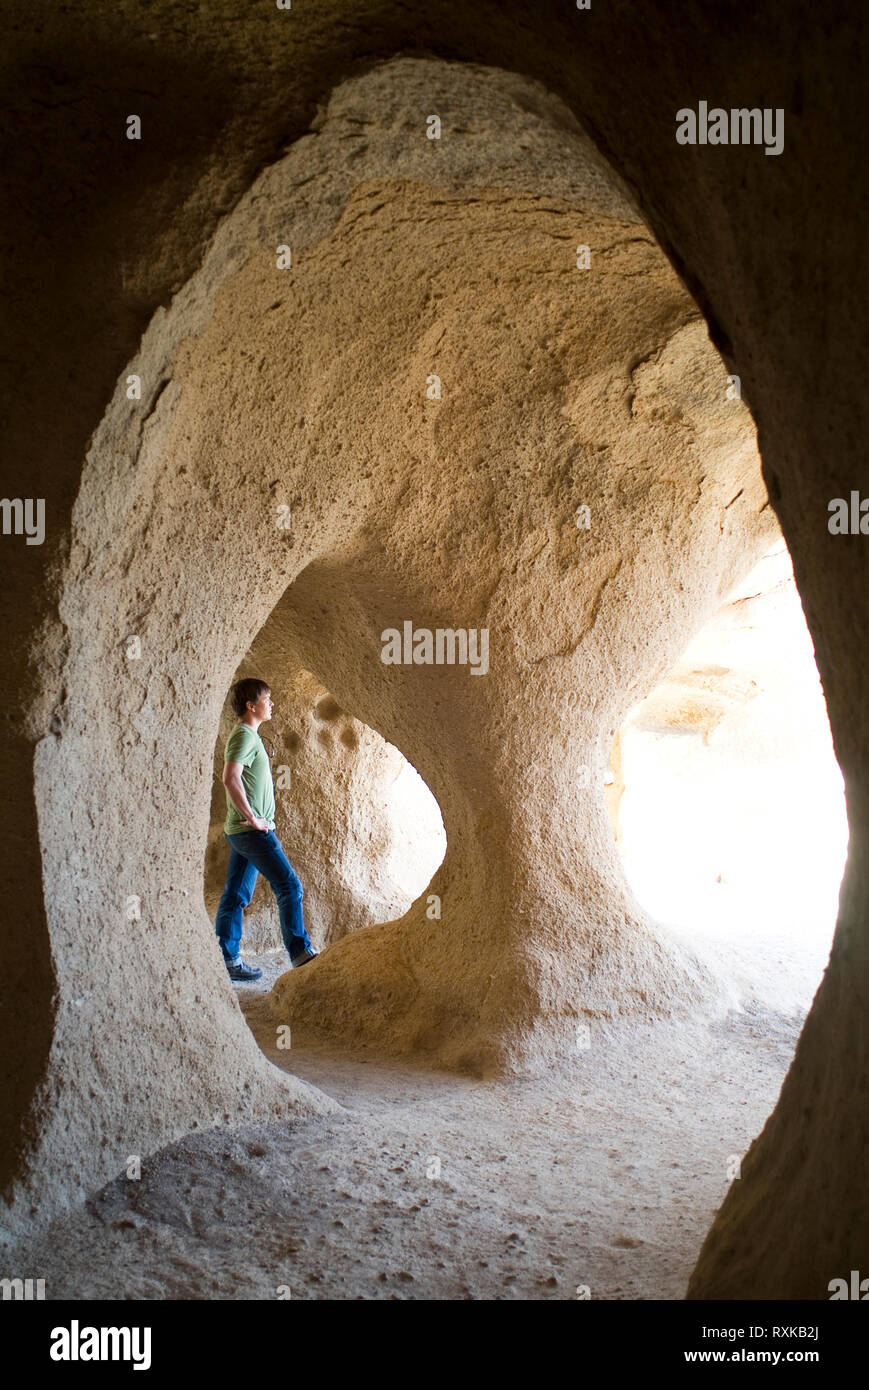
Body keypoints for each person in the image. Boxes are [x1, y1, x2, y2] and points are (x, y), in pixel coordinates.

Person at [215, 677, 318, 982]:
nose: (271, 704)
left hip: (241, 831)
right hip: (250, 832)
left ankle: (228, 960)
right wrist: (254, 819)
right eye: (267, 699)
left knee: (235, 894)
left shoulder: (249, 735)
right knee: (289, 886)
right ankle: (301, 955)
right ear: (251, 705)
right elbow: (230, 778)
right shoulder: (244, 736)